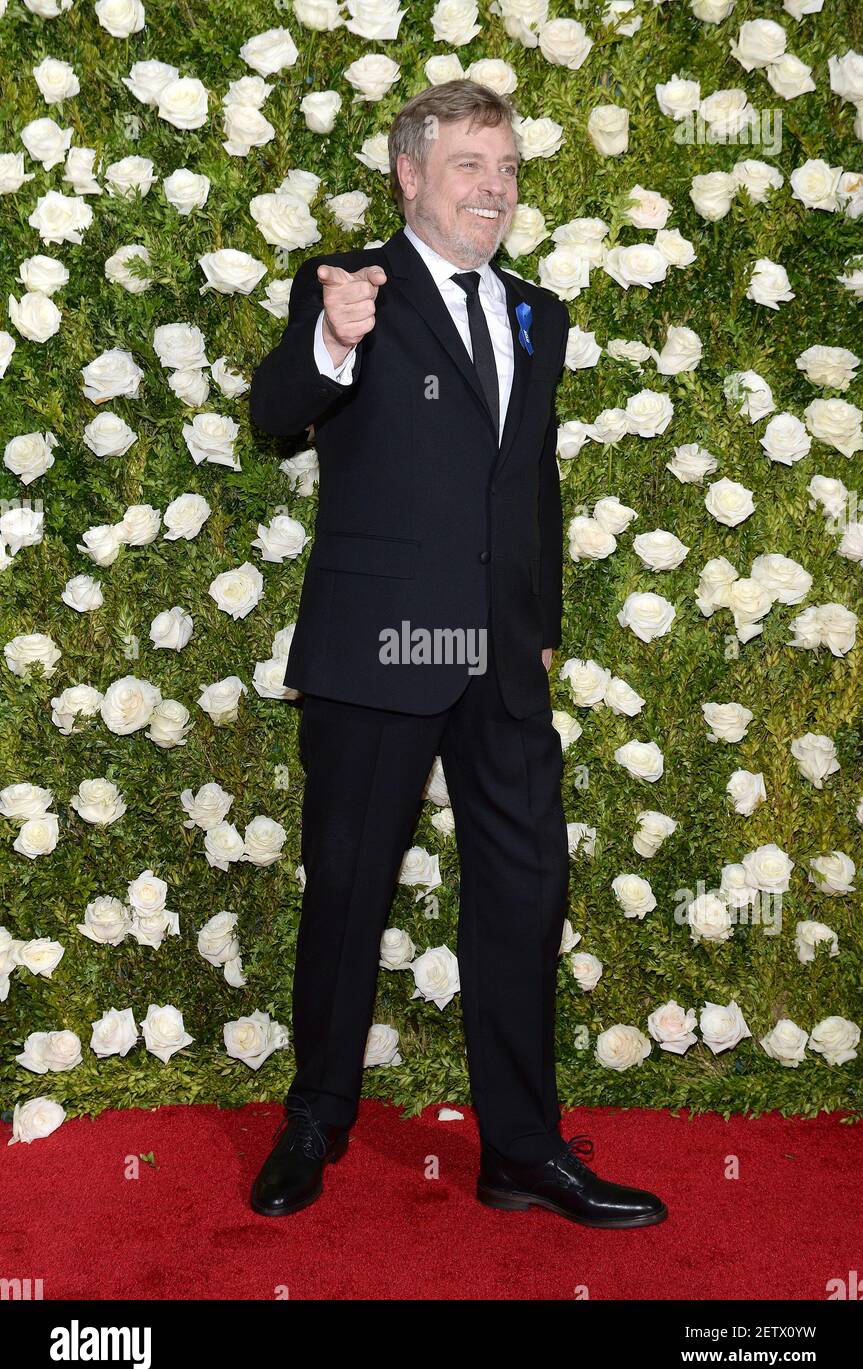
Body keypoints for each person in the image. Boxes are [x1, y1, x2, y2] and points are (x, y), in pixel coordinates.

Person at [248, 79, 666, 1229]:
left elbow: (528, 479)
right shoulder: (350, 285)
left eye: (507, 169)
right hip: (378, 643)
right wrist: (333, 341)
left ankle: (521, 1150)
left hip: (500, 658)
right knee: (347, 890)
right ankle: (316, 1120)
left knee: (527, 892)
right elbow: (276, 408)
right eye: (471, 167)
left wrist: (538, 636)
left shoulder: (540, 314)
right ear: (410, 175)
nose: (494, 190)